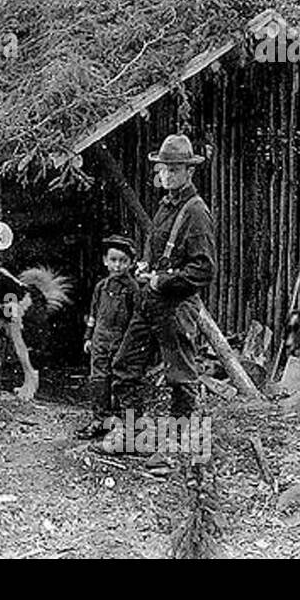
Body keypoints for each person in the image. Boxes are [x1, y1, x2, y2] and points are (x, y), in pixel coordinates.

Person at [103, 134, 217, 443]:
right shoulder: (166, 205)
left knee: (180, 378)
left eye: (174, 170)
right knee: (124, 366)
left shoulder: (195, 212)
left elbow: (203, 269)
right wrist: (146, 267)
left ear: (189, 172)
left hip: (176, 306)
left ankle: (178, 446)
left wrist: (162, 280)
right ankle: (132, 436)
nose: (167, 175)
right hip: (151, 302)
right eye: (164, 169)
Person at [75, 234, 141, 439]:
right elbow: (93, 315)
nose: (118, 265)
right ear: (105, 261)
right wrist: (88, 337)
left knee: (124, 383)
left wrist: (129, 346)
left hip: (122, 342)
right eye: (113, 260)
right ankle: (100, 421)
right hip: (100, 341)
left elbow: (137, 319)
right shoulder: (101, 287)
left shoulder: (133, 289)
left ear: (130, 263)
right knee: (99, 380)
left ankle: (129, 428)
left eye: (123, 261)